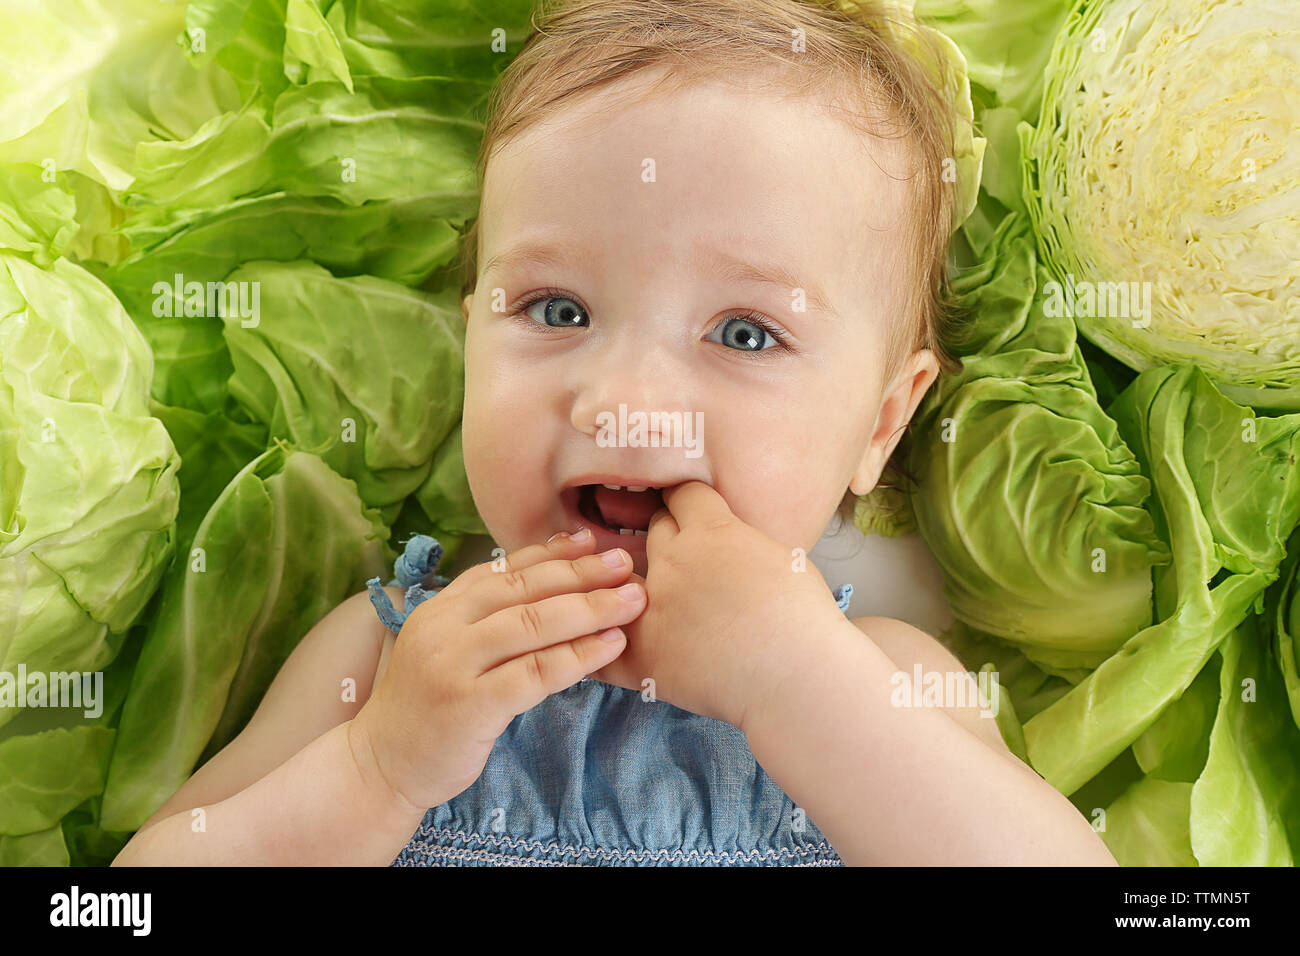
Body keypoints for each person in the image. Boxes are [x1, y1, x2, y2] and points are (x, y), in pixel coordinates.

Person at [114, 0, 1117, 866]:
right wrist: (376, 765)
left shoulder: (888, 683)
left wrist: (801, 687)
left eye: (743, 332)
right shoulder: (387, 662)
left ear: (881, 423)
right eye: (555, 310)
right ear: (472, 347)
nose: (623, 396)